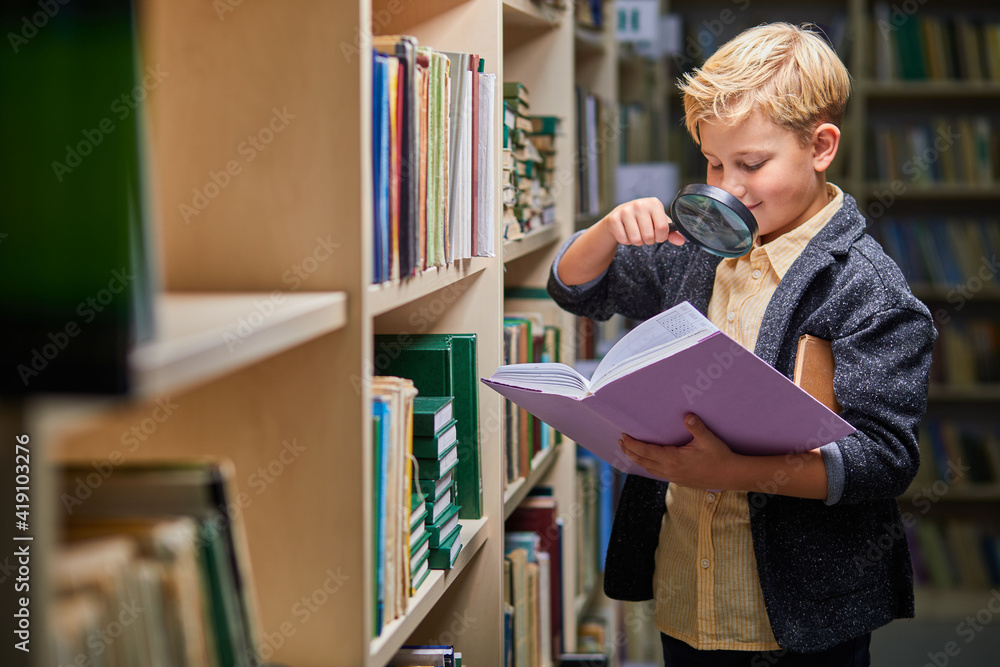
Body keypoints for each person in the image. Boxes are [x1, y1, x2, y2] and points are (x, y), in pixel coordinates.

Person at [547, 22, 936, 666]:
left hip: (800, 617)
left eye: (752, 164)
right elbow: (577, 290)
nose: (728, 187)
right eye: (713, 163)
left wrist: (731, 473)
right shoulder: (695, 248)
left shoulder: (867, 287)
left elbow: (885, 460)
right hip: (687, 590)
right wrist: (607, 231)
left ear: (821, 146)